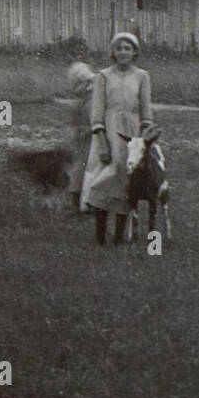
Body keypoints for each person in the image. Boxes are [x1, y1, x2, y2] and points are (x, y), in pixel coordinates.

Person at [82, 33, 154, 244]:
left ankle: (120, 237)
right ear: (112, 52)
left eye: (127, 48)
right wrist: (102, 140)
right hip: (110, 134)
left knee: (126, 182)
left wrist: (141, 143)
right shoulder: (103, 76)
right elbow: (96, 113)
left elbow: (146, 113)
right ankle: (100, 238)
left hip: (132, 136)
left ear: (134, 52)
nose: (123, 52)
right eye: (119, 48)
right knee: (104, 182)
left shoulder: (142, 76)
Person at [65, 62, 95, 212]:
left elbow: (97, 122)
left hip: (91, 142)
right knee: (78, 169)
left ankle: (84, 203)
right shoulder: (82, 101)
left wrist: (87, 130)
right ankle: (77, 201)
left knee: (86, 170)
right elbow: (76, 120)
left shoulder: (93, 101)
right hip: (81, 142)